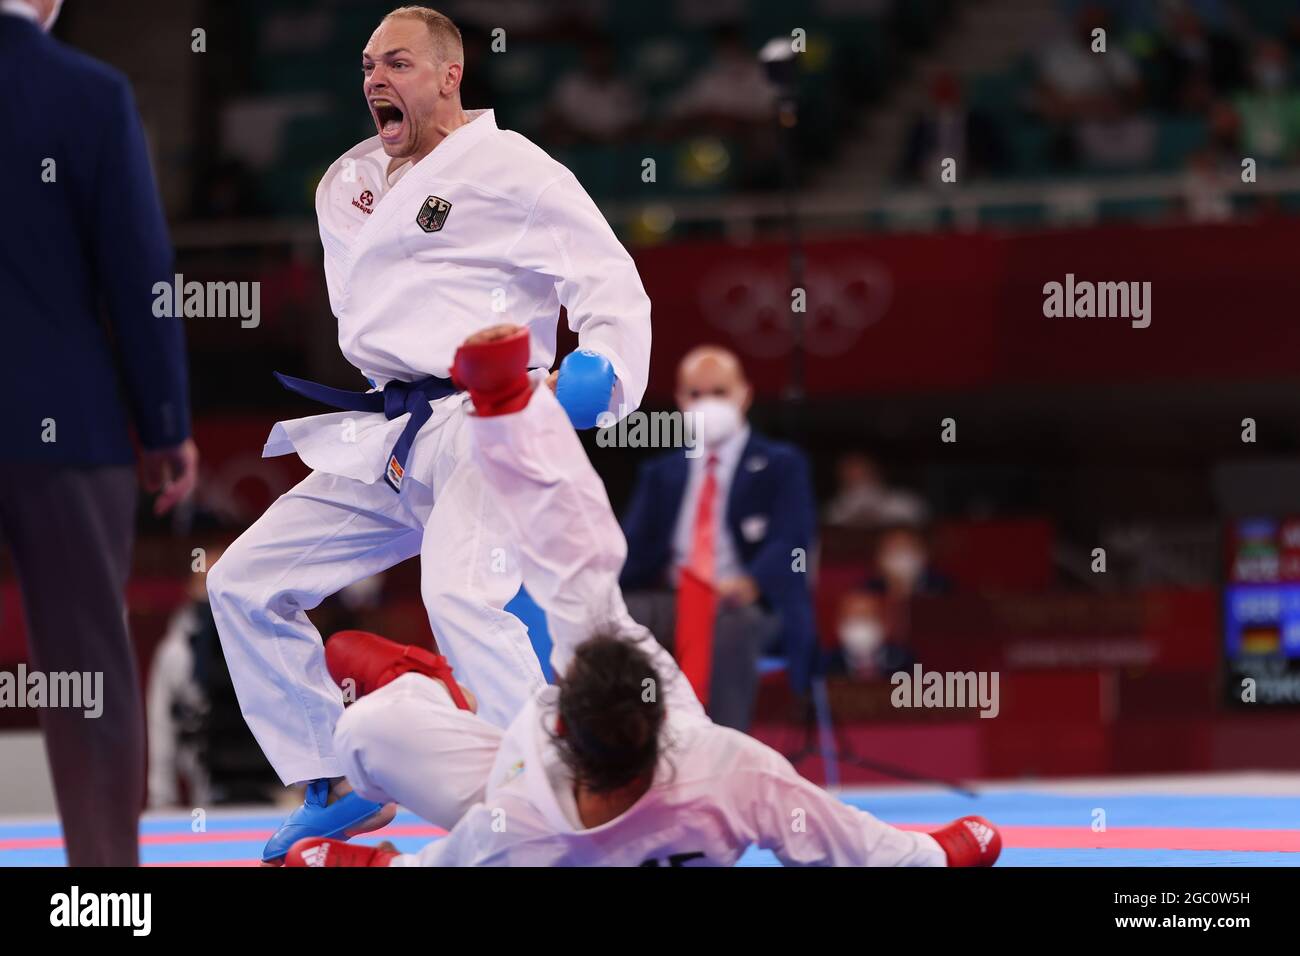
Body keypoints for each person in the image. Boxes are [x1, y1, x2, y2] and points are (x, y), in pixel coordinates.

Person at [281, 325, 1001, 867]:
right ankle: (509, 414)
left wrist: (344, 860)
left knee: (367, 733)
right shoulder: (718, 766)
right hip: (616, 742)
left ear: (556, 728)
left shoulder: (527, 827)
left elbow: (437, 864)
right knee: (587, 590)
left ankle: (430, 688)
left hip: (514, 778)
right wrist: (938, 855)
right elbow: (859, 847)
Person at [204, 5, 651, 863]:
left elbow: (610, 279)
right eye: (369, 65)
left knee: (460, 600)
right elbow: (375, 309)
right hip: (390, 429)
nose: (376, 78)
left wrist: (606, 372)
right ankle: (332, 781)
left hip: (483, 418)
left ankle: (563, 786)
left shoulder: (514, 167)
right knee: (245, 585)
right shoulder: (349, 181)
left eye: (398, 63)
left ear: (450, 75)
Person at [0, 0, 197, 866]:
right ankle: (105, 890)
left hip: (64, 423)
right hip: (66, 427)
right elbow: (139, 269)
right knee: (86, 667)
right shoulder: (88, 92)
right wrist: (165, 424)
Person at [620, 346, 815, 732]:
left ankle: (722, 744)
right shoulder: (660, 474)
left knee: (730, 624)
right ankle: (629, 749)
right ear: (679, 400)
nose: (707, 403)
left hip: (749, 604)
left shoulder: (781, 464)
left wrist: (750, 582)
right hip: (676, 599)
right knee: (621, 616)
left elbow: (792, 540)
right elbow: (631, 551)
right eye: (696, 394)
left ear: (745, 394)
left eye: (720, 392)